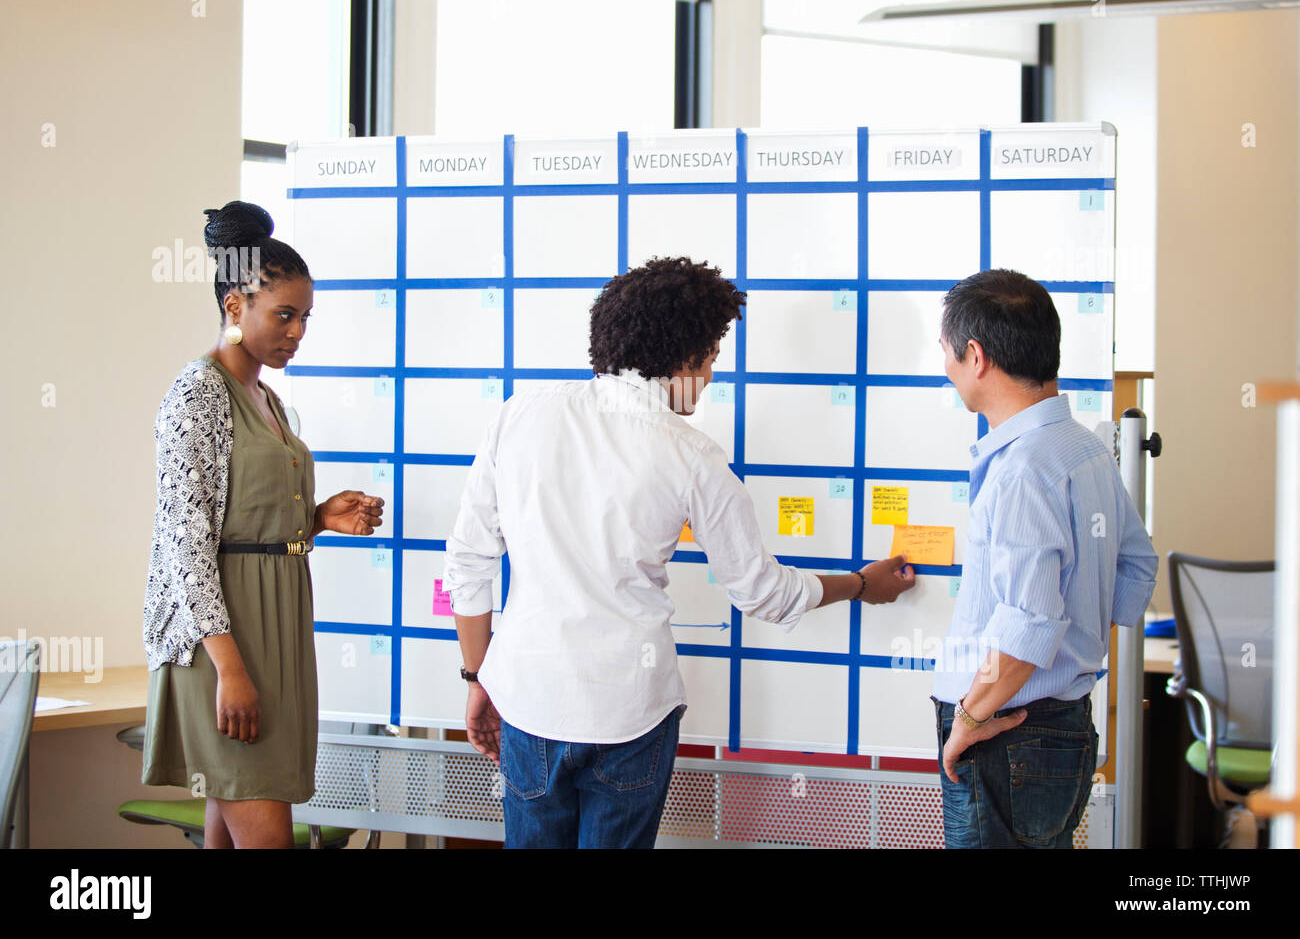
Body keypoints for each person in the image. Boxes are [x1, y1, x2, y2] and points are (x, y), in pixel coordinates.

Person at [443, 256, 916, 848]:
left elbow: (468, 561)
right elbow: (763, 593)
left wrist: (477, 675)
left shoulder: (519, 415)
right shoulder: (693, 456)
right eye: (712, 358)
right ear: (684, 358)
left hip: (527, 701)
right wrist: (862, 583)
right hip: (630, 713)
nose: (714, 375)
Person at [141, 200, 384, 848]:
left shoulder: (267, 397)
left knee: (232, 831)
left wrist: (318, 517)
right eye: (284, 314)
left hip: (273, 637)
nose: (297, 331)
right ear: (233, 307)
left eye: (305, 317)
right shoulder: (198, 392)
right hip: (224, 648)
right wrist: (231, 668)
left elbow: (250, 517)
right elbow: (184, 542)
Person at [930, 268, 1158, 849]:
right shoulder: (1085, 449)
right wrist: (1072, 652)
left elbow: (1029, 621)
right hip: (1061, 726)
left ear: (975, 356)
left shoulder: (1023, 469)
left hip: (1005, 736)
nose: (946, 367)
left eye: (947, 353)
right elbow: (1137, 566)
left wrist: (972, 719)